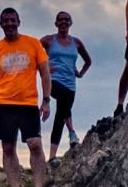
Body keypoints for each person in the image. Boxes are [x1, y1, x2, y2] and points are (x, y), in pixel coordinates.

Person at [0, 6, 54, 187]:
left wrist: (46, 100)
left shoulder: (32, 44)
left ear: (18, 22)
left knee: (35, 144)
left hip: (28, 104)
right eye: (5, 21)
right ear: (0, 24)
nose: (9, 24)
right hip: (4, 104)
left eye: (12, 20)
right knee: (8, 147)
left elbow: (45, 73)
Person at [39, 11, 92, 159]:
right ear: (56, 24)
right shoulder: (49, 40)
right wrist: (42, 66)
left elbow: (88, 61)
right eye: (60, 20)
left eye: (66, 20)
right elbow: (32, 52)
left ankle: (52, 156)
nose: (63, 22)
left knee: (60, 116)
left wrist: (80, 73)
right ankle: (72, 131)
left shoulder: (77, 42)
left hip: (71, 83)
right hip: (53, 80)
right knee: (62, 100)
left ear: (70, 23)